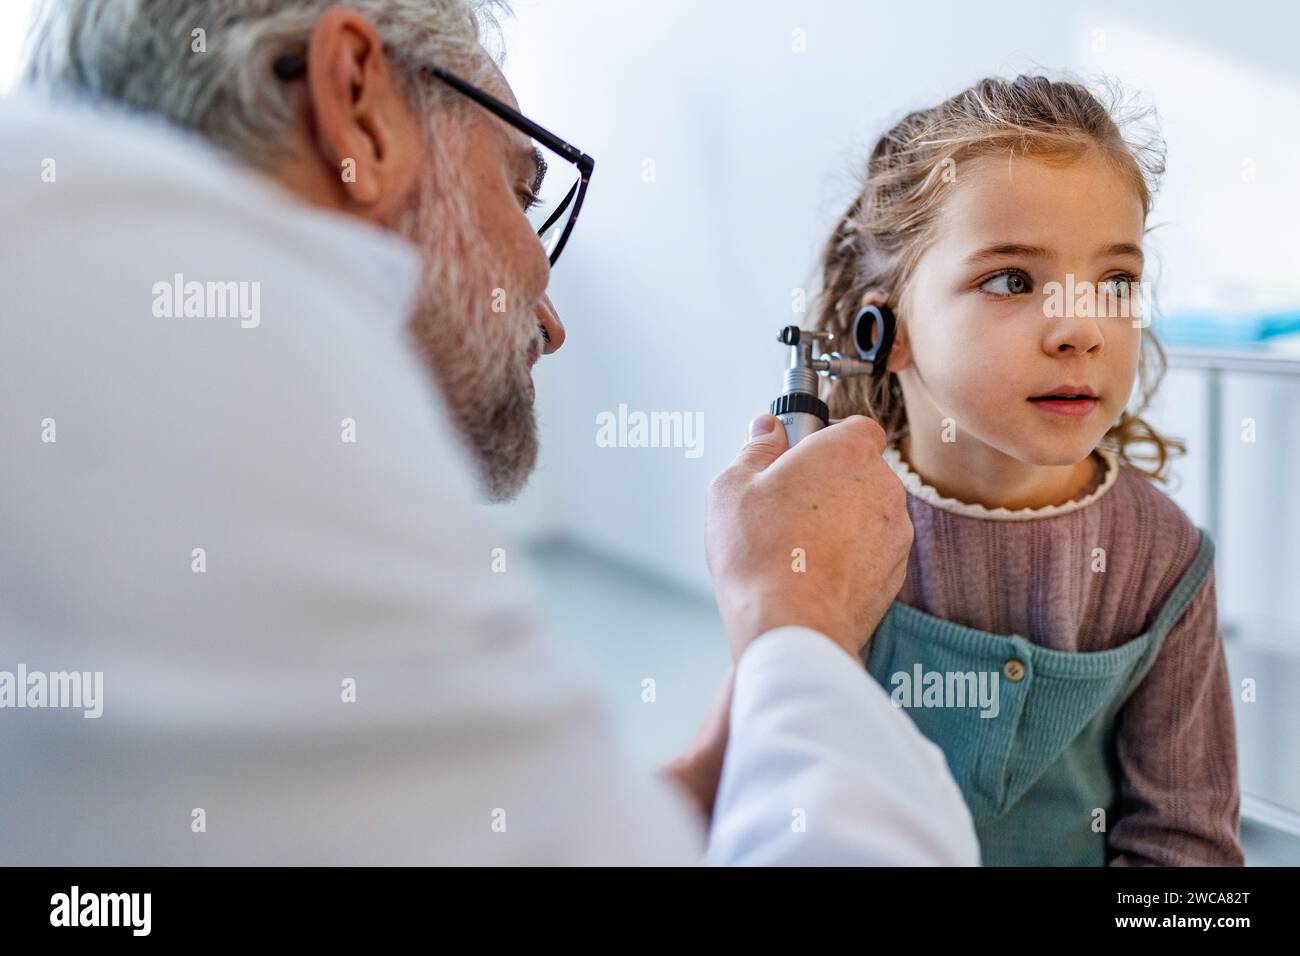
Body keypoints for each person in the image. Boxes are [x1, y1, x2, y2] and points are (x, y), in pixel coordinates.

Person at [0, 0, 978, 864]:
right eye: (521, 192)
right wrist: (800, 629)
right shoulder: (239, 347)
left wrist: (741, 730)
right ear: (358, 105)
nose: (552, 322)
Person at [809, 74, 1242, 865]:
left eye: (1115, 281)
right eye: (1012, 280)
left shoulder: (1164, 560)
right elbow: (790, 791)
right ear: (886, 329)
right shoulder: (824, 528)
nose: (1081, 327)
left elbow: (1187, 849)